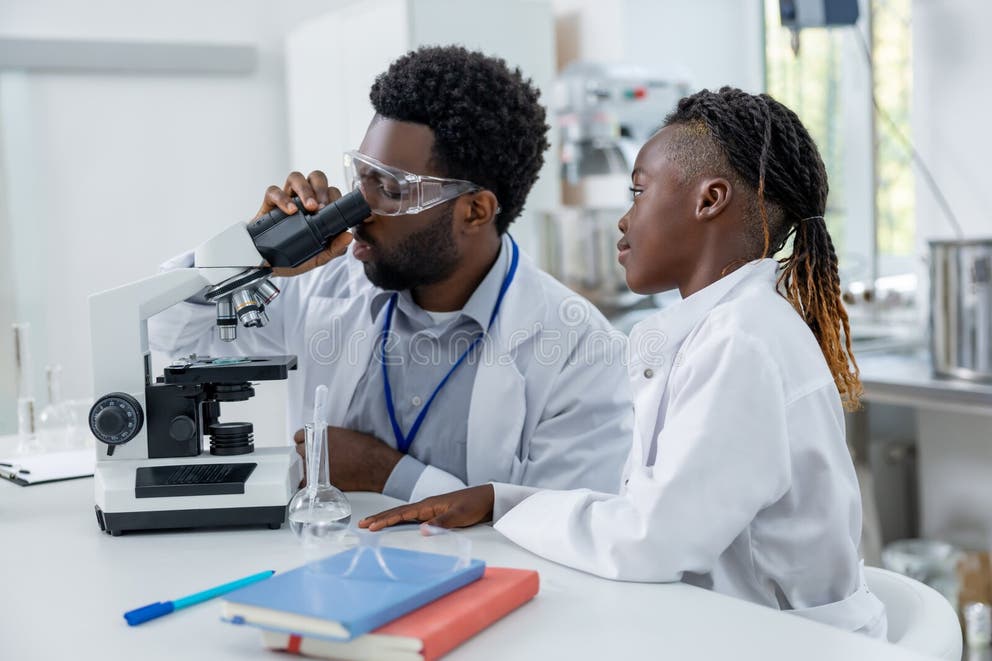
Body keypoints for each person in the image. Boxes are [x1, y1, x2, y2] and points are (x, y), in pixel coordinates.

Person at [360, 87, 887, 638]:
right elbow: (655, 514)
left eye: (638, 193)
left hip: (789, 644)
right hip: (740, 628)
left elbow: (651, 540)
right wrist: (503, 498)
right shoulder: (724, 326)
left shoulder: (743, 340)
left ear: (709, 200)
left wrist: (503, 506)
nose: (623, 221)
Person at [149, 45, 632, 503]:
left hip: (484, 587)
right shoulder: (322, 288)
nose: (358, 209)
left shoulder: (578, 348)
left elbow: (568, 525)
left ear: (474, 211)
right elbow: (168, 329)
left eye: (391, 189)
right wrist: (248, 253)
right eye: (362, 177)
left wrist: (391, 476)